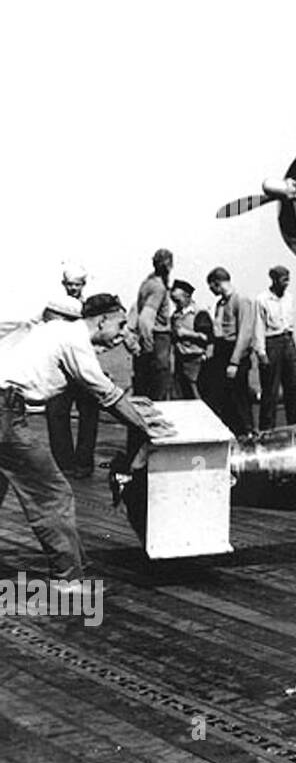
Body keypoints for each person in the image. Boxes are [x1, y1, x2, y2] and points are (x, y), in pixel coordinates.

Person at [0, 294, 170, 581]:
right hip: (5, 415)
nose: (121, 334)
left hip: (5, 407)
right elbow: (106, 393)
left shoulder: (55, 330)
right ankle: (69, 579)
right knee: (52, 495)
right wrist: (147, 428)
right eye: (119, 325)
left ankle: (74, 566)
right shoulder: (76, 340)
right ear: (102, 320)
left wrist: (137, 410)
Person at [44, 265, 100, 479]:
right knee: (56, 413)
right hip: (61, 370)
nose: (73, 288)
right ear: (63, 284)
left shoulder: (90, 308)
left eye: (77, 284)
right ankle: (64, 463)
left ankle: (84, 462)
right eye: (70, 284)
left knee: (89, 413)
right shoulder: (55, 308)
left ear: (83, 285)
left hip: (83, 367)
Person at [253, 266, 296, 430]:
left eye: (288, 279)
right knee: (270, 390)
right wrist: (261, 352)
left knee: (293, 387)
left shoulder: (289, 298)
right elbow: (258, 327)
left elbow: (294, 323)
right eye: (283, 279)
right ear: (274, 280)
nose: (286, 283)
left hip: (288, 341)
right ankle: (267, 429)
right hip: (271, 343)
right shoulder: (262, 300)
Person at [206, 267, 256, 437]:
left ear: (216, 284)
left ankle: (248, 432)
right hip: (222, 351)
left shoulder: (241, 300)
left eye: (211, 287)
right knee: (225, 396)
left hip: (235, 351)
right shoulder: (221, 303)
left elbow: (245, 333)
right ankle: (234, 431)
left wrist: (234, 361)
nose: (211, 291)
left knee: (240, 395)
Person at [132, 248, 175, 400]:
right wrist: (148, 344)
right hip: (157, 340)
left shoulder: (147, 283)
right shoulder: (158, 287)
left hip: (149, 339)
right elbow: (145, 318)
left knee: (145, 386)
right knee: (159, 385)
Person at [169, 280, 212, 401]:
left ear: (187, 296)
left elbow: (207, 337)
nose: (175, 303)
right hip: (180, 360)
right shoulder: (175, 315)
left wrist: (187, 334)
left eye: (178, 300)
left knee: (196, 394)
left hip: (195, 360)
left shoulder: (199, 313)